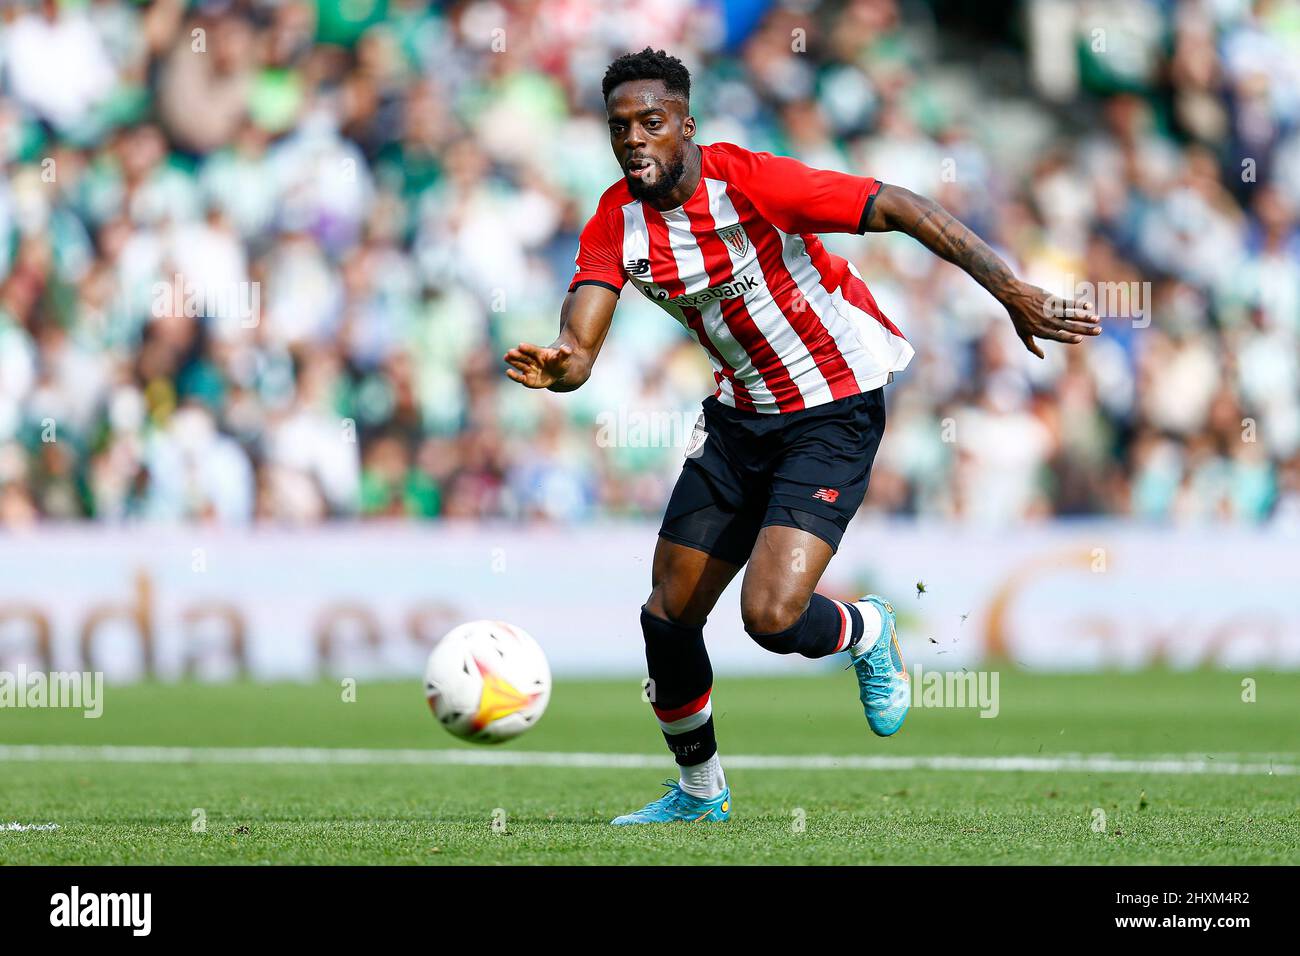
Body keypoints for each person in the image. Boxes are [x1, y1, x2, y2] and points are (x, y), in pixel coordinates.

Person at [504, 48, 1099, 825]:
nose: (635, 140)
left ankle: (866, 627)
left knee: (772, 618)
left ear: (687, 124)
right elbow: (580, 345)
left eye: (651, 122)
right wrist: (563, 366)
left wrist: (1011, 290)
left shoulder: (749, 181)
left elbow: (898, 204)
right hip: (738, 418)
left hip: (833, 405)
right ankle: (700, 792)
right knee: (667, 616)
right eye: (620, 128)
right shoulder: (615, 221)